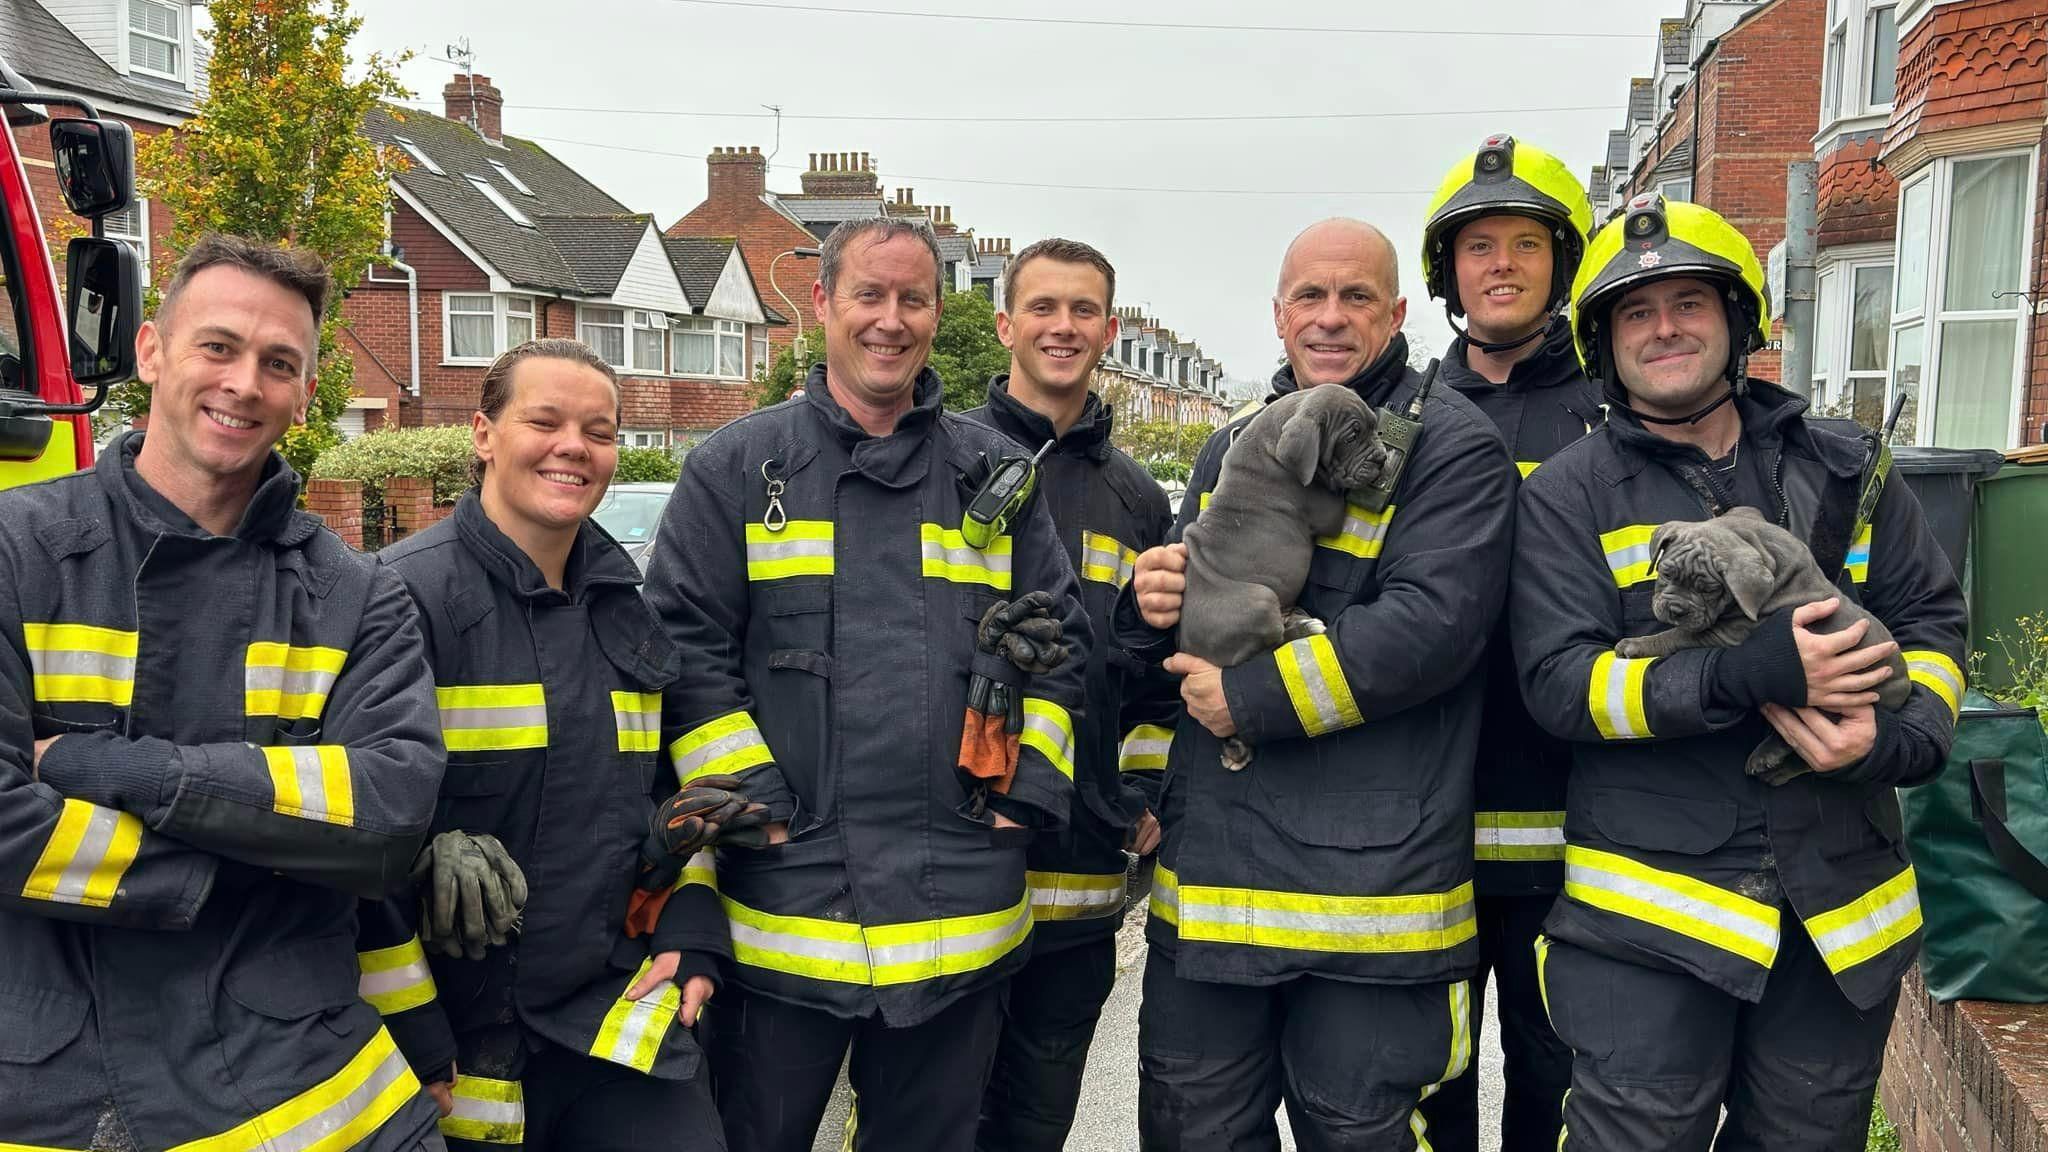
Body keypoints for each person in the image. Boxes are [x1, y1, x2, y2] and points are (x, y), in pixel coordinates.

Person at [1510, 193, 1967, 1150]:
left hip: (1836, 925)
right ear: (1604, 341)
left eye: (1689, 304)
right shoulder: (1566, 496)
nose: (1664, 328)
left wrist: (1901, 734)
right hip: (1648, 932)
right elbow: (1561, 685)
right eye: (1636, 311)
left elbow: (1930, 620)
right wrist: (1737, 676)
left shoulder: (1846, 466)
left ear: (1739, 321)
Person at [645, 214, 1090, 1152]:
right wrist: (757, 807)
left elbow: (1062, 648)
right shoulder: (735, 467)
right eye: (869, 296)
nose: (891, 321)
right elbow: (683, 652)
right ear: (822, 305)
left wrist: (1020, 797)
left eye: (914, 299)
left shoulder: (995, 472)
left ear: (937, 314)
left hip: (960, 907)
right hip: (786, 908)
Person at [0, 234, 447, 1149]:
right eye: (218, 346)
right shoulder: (16, 550)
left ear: (304, 392)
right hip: (44, 1087)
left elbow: (390, 819)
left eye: (278, 363)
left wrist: (108, 769)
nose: (245, 383)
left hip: (305, 1093)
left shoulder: (357, 597)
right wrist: (255, 864)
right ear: (152, 351)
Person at [1119, 218, 1514, 1149]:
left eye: (1356, 297)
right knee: (1192, 1130)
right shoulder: (1235, 447)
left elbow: (1432, 631)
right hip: (1214, 906)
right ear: (1278, 314)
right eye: (1310, 296)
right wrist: (1152, 601)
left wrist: (1251, 700)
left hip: (1374, 914)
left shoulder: (1452, 449)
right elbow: (1192, 621)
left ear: (1398, 313)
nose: (1329, 319)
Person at [375, 339, 736, 1150]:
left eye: (599, 430)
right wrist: (412, 1029)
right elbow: (347, 848)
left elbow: (675, 803)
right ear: (483, 434)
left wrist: (693, 924)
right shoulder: (398, 599)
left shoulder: (627, 610)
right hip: (454, 1042)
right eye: (545, 420)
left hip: (609, 1015)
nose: (574, 446)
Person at [962, 238, 1179, 1152]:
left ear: (1109, 331)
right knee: (930, 1116)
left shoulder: (1135, 499)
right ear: (1007, 324)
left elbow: (1153, 679)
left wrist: (1141, 798)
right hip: (959, 857)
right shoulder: (945, 464)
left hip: (1082, 874)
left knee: (1035, 1122)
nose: (1063, 327)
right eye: (1043, 308)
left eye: (1083, 311)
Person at [1413, 135, 1601, 1152]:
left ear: (1559, 265)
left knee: (1556, 1082)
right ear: (1446, 272)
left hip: (1570, 827)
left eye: (1524, 243)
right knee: (1425, 1081)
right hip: (1420, 828)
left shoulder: (1610, 416)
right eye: (1476, 245)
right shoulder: (1400, 420)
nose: (1499, 265)